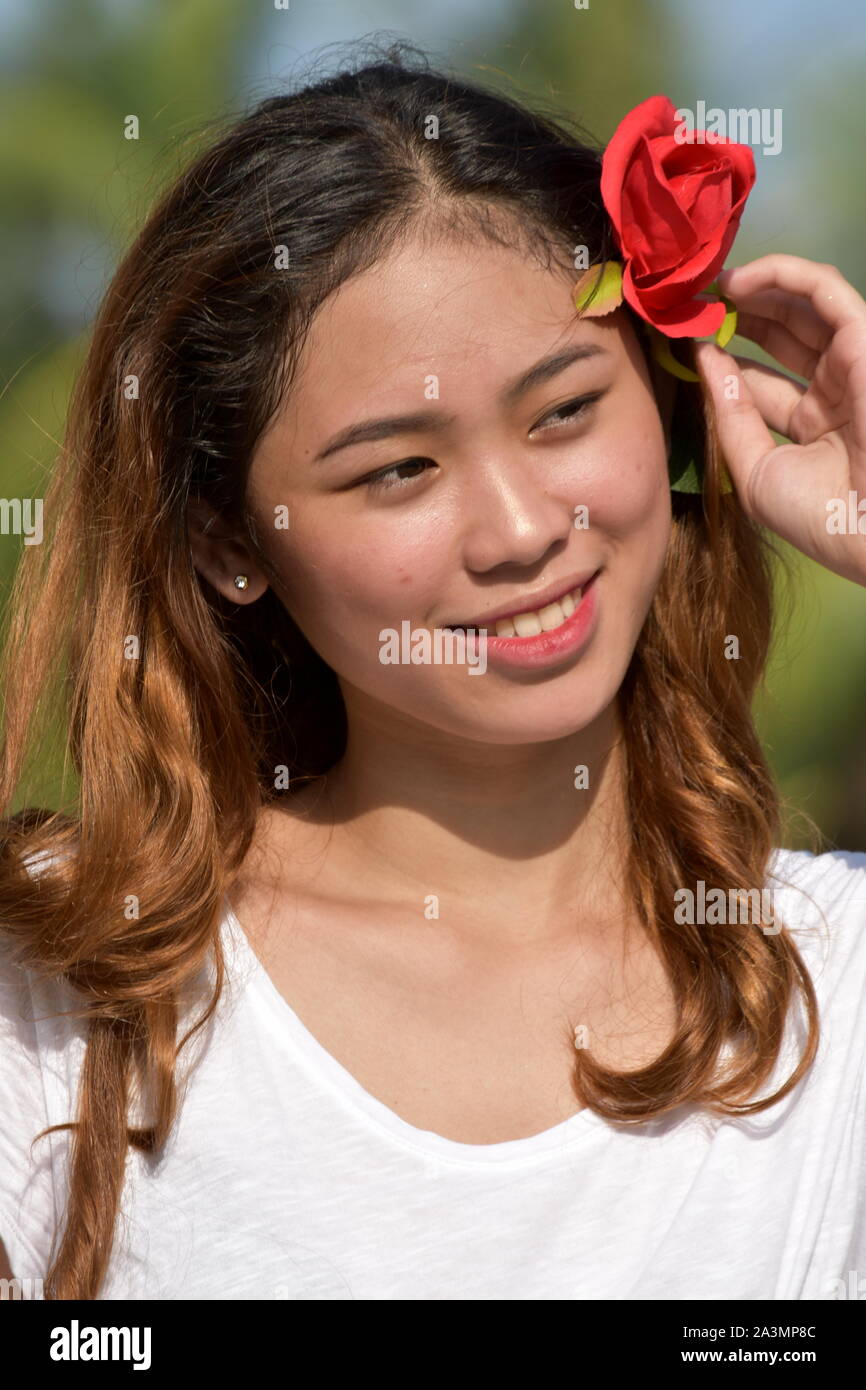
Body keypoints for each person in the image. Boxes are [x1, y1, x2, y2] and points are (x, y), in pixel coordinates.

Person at [1, 40, 865, 1302]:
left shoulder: (826, 982)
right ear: (230, 541)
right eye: (397, 469)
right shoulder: (74, 972)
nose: (518, 528)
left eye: (564, 409)